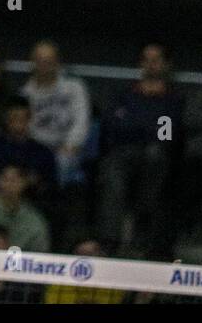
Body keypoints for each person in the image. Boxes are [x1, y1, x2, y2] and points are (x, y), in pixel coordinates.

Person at [95, 43, 184, 259]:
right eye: (146, 59)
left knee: (155, 155)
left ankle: (142, 224)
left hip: (157, 155)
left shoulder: (173, 99)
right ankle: (110, 239)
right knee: (112, 168)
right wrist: (146, 128)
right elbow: (114, 128)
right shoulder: (125, 94)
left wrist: (136, 126)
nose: (150, 64)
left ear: (166, 64)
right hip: (123, 153)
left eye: (156, 59)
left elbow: (166, 134)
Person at [19, 40, 91, 184]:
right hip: (37, 149)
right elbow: (25, 128)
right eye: (40, 60)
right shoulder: (25, 94)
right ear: (32, 63)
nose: (44, 65)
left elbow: (81, 121)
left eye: (49, 61)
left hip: (69, 149)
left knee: (60, 162)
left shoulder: (75, 87)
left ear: (58, 63)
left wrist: (70, 145)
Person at [0, 95, 58, 199]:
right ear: (6, 119)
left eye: (23, 118)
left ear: (30, 119)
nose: (19, 124)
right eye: (14, 118)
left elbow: (52, 189)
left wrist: (36, 183)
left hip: (29, 206)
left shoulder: (42, 153)